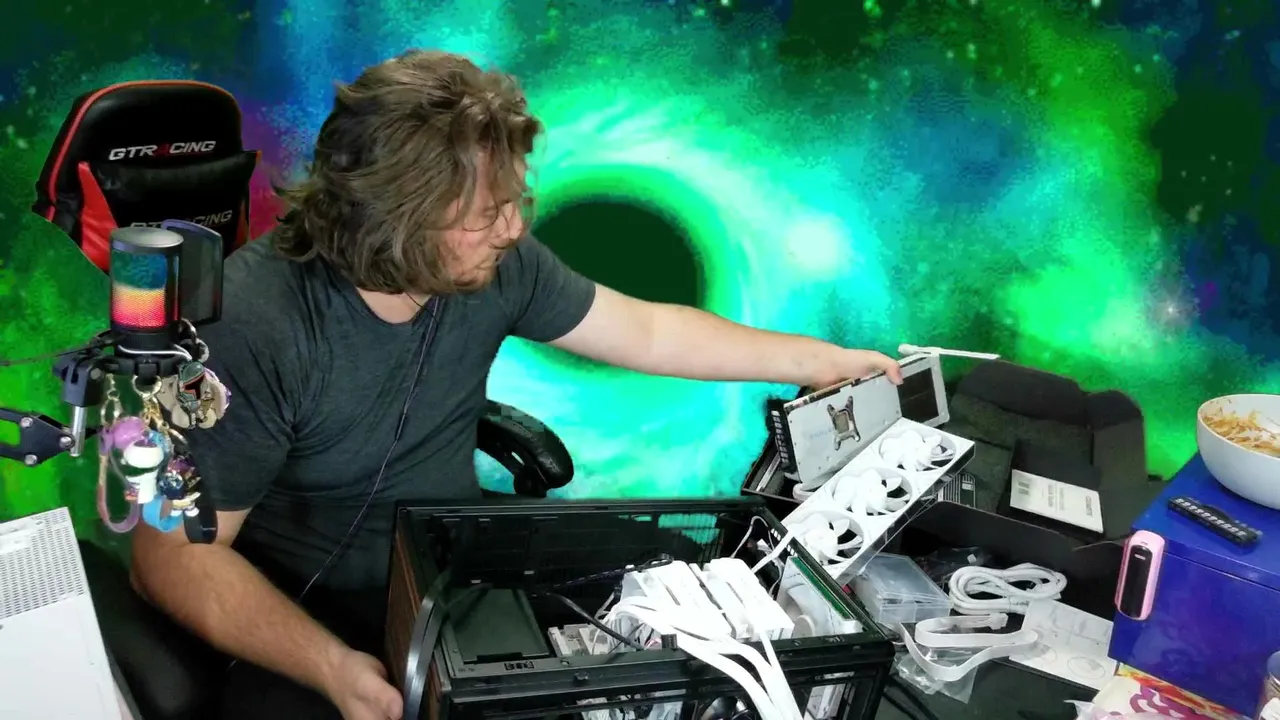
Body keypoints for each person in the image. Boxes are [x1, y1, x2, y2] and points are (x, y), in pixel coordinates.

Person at [129, 49, 902, 720]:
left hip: (451, 557)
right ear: (394, 219)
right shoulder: (248, 328)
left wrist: (819, 361)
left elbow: (648, 331)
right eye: (487, 213)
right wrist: (332, 668)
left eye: (515, 202)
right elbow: (171, 558)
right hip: (313, 606)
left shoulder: (500, 262)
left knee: (676, 585)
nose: (513, 228)